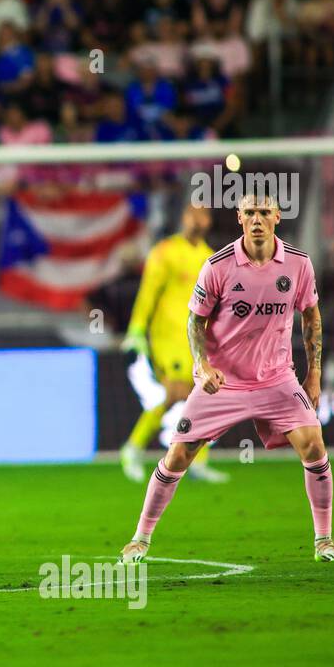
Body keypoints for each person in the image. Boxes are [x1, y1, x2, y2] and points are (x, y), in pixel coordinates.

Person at [120, 195, 334, 565]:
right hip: (224, 381)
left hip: (277, 379)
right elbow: (195, 321)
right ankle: (140, 539)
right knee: (179, 454)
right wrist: (203, 365)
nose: (257, 219)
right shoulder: (217, 265)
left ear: (276, 216)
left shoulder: (298, 264)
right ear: (239, 218)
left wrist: (315, 375)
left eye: (264, 212)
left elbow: (311, 318)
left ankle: (324, 540)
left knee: (314, 446)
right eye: (250, 213)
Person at [120, 202, 227, 483]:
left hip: (195, 338)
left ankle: (197, 461)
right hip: (166, 336)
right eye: (192, 215)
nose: (197, 221)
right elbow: (148, 293)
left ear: (209, 222)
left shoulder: (210, 259)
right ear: (183, 217)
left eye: (203, 216)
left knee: (202, 396)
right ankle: (133, 447)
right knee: (175, 391)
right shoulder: (165, 252)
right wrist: (136, 331)